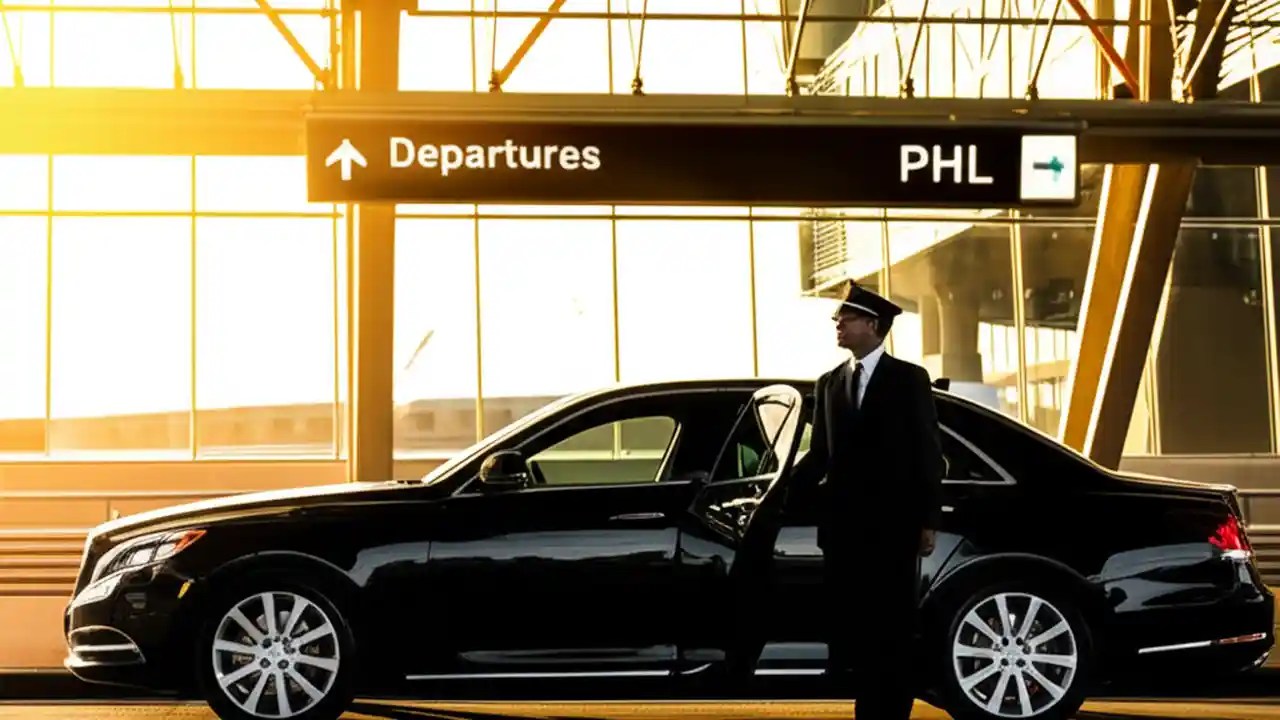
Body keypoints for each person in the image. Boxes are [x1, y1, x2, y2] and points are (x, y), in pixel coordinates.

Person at [791, 282, 946, 720]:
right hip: (843, 529)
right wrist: (781, 495)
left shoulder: (908, 379)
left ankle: (890, 707)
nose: (837, 324)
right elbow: (819, 456)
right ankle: (867, 697)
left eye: (846, 318)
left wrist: (927, 518)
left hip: (894, 527)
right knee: (855, 621)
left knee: (893, 621)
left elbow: (928, 452)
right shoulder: (829, 384)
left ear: (873, 325)